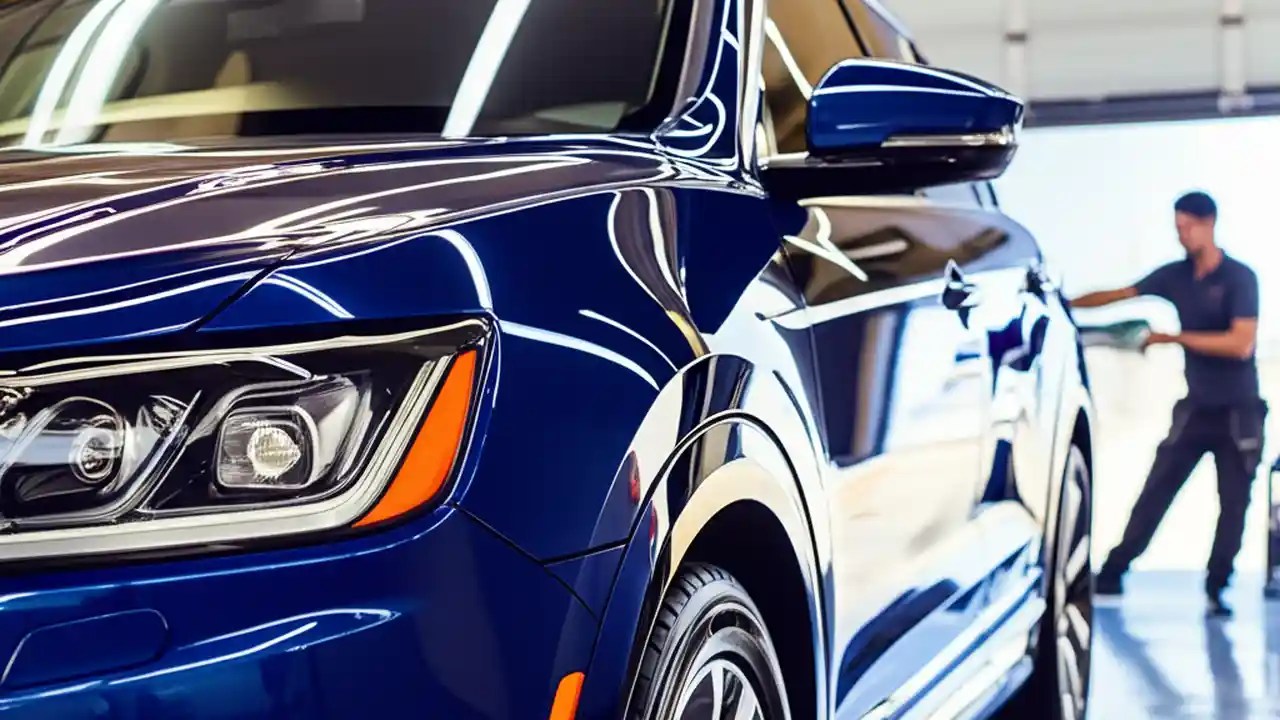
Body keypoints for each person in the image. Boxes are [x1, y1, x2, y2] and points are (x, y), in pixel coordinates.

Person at [1072, 191, 1265, 618]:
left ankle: (1218, 586)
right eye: (1177, 228)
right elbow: (1121, 294)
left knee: (1233, 502)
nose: (1182, 235)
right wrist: (1064, 304)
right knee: (1157, 489)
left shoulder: (1239, 278)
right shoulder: (1175, 277)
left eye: (1188, 227)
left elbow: (1240, 343)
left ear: (1209, 222)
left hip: (1239, 412)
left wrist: (1171, 338)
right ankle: (1113, 571)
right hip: (1196, 408)